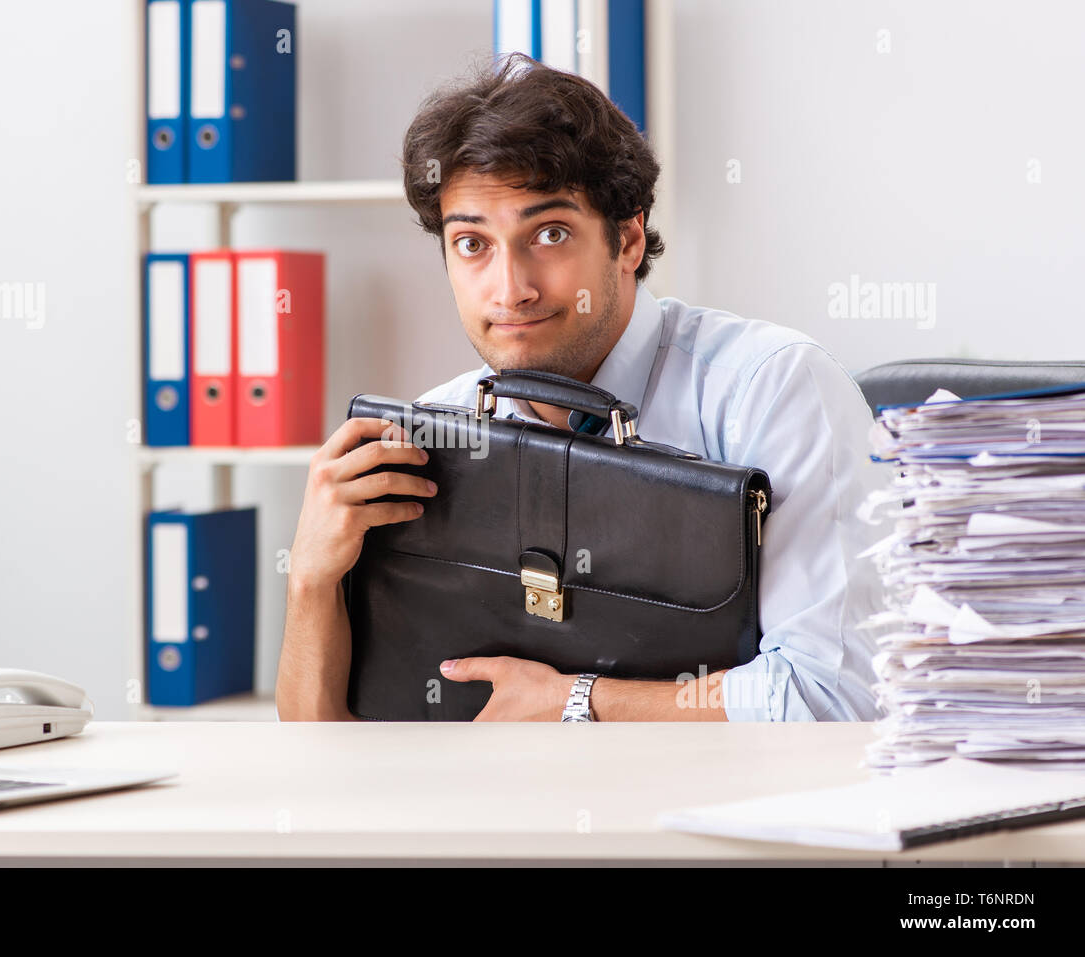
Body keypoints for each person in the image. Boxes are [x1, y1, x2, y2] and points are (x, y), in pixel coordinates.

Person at [276, 53, 883, 722]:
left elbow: (837, 697)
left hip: (712, 818)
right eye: (473, 244)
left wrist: (577, 701)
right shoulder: (433, 430)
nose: (511, 289)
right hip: (494, 820)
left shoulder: (774, 391)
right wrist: (311, 581)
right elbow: (324, 752)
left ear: (626, 240)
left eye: (550, 233)